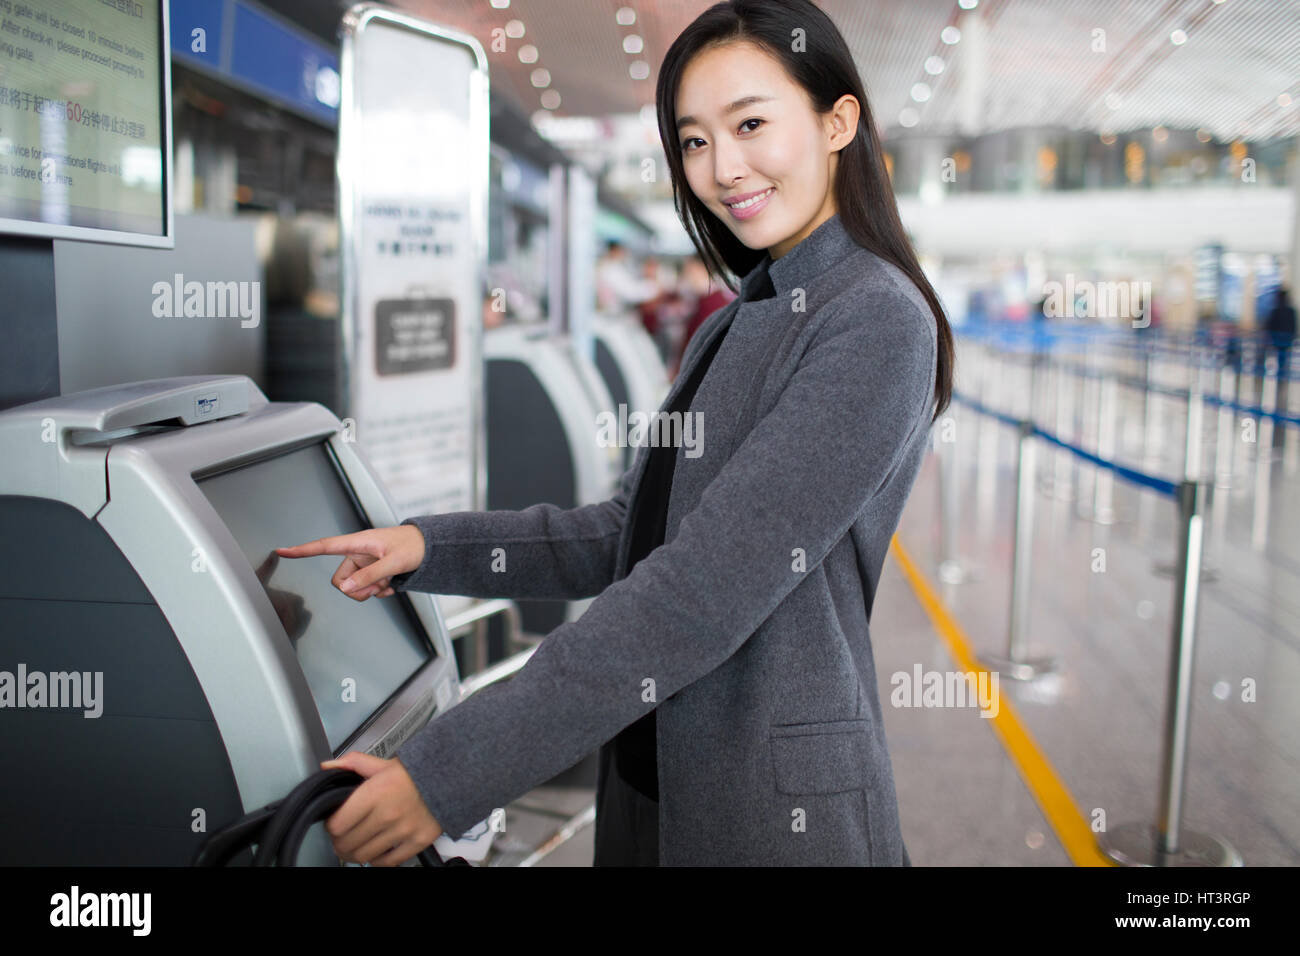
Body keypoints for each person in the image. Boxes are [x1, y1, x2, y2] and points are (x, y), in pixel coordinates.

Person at [277, 0, 954, 867]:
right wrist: (428, 545)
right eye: (695, 141)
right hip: (649, 777)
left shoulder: (876, 322)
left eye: (750, 124)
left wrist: (449, 771)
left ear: (837, 121)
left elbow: (701, 587)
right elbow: (623, 534)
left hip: (769, 809)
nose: (721, 168)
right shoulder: (735, 320)